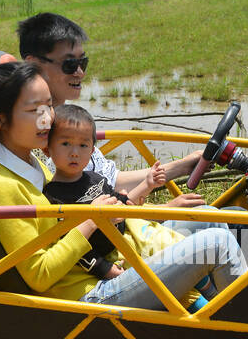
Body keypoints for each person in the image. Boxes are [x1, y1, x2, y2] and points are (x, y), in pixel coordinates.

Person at [0, 62, 246, 311]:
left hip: (121, 250)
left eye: (49, 106)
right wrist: (93, 219)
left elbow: (71, 212)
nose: (48, 119)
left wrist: (155, 208)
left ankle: (217, 312)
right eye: (34, 111)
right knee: (216, 243)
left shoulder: (26, 159)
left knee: (213, 221)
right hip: (91, 291)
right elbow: (39, 275)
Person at [16, 12, 206, 204]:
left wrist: (183, 166)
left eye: (83, 62)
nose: (80, 73)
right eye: (70, 64)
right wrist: (165, 210)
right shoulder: (35, 137)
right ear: (33, 64)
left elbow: (108, 181)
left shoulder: (68, 122)